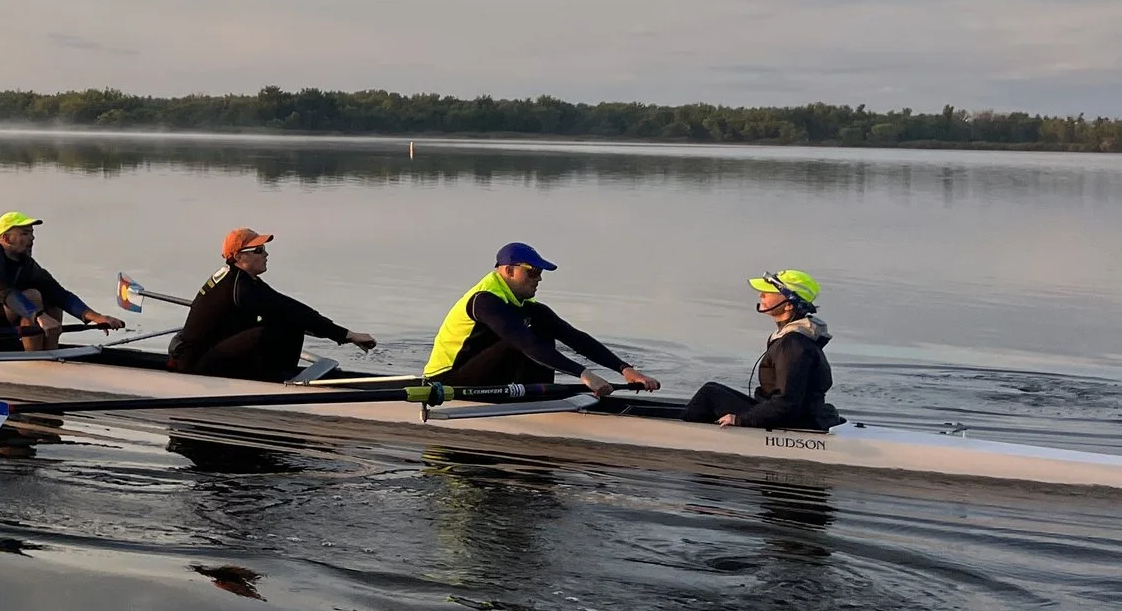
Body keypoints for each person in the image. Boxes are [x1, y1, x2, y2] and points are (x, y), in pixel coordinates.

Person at [423, 243, 659, 398]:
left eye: (540, 274)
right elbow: (526, 344)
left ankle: (540, 401)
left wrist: (625, 369)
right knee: (524, 342)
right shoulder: (484, 301)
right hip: (445, 382)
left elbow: (574, 337)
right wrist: (584, 374)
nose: (538, 279)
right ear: (509, 271)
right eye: (532, 272)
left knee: (545, 330)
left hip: (479, 376)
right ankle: (537, 402)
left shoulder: (525, 305)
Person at [168, 227, 379, 380]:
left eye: (264, 248)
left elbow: (289, 305)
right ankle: (277, 380)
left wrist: (340, 332)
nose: (266, 254)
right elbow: (290, 312)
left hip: (201, 351)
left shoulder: (241, 279)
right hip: (194, 367)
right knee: (280, 325)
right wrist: (347, 335)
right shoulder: (240, 289)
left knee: (288, 318)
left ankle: (278, 374)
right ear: (240, 256)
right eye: (258, 250)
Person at [683, 271, 840, 430]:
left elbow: (786, 403)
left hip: (797, 422)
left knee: (709, 395)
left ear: (789, 304)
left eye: (769, 292)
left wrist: (742, 420)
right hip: (793, 415)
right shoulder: (792, 338)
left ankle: (677, 435)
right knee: (712, 390)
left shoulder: (792, 344)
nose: (761, 294)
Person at [0, 212, 123, 350]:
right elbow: (8, 294)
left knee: (50, 298)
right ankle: (35, 364)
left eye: (32, 233)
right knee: (33, 296)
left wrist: (97, 317)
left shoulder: (26, 264)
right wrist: (39, 316)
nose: (32, 238)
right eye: (25, 233)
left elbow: (61, 294)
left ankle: (49, 358)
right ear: (6, 238)